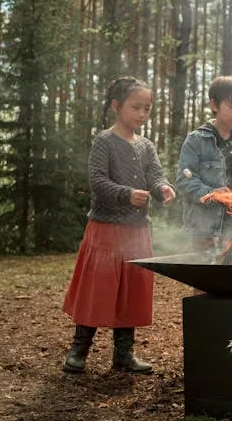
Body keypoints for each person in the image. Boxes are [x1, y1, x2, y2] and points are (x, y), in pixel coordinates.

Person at [62, 77, 176, 374]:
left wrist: (163, 188)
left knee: (132, 288)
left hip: (137, 230)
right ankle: (79, 350)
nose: (142, 114)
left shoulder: (146, 146)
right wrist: (126, 194)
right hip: (106, 228)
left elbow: (155, 175)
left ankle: (123, 355)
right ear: (117, 106)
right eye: (136, 107)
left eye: (147, 108)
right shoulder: (104, 141)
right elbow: (97, 182)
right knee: (98, 287)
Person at [176, 76, 232, 250]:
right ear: (214, 105)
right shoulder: (196, 140)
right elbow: (184, 180)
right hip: (204, 231)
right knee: (204, 274)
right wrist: (212, 194)